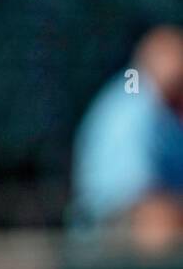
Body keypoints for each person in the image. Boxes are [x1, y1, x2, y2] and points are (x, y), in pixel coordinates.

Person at [71, 26, 183, 253]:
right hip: (107, 238)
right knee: (155, 223)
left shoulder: (169, 110)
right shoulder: (129, 110)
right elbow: (142, 207)